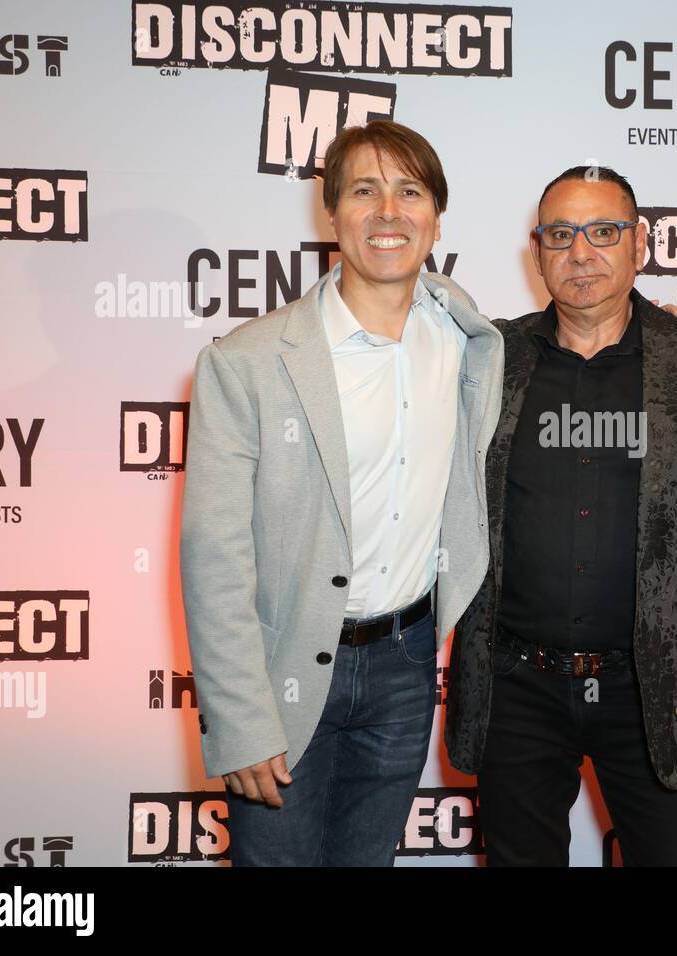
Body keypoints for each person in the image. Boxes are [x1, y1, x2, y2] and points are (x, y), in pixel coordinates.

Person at [179, 119, 503, 866]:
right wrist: (240, 719)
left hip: (406, 663)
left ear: (436, 216)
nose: (388, 212)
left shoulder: (466, 340)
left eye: (409, 191)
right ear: (331, 213)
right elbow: (215, 554)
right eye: (365, 190)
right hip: (286, 667)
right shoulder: (248, 362)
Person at [444, 165, 677, 866]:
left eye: (603, 232)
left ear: (639, 245)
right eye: (560, 235)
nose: (581, 253)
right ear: (536, 252)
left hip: (652, 685)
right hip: (517, 685)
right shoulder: (489, 359)